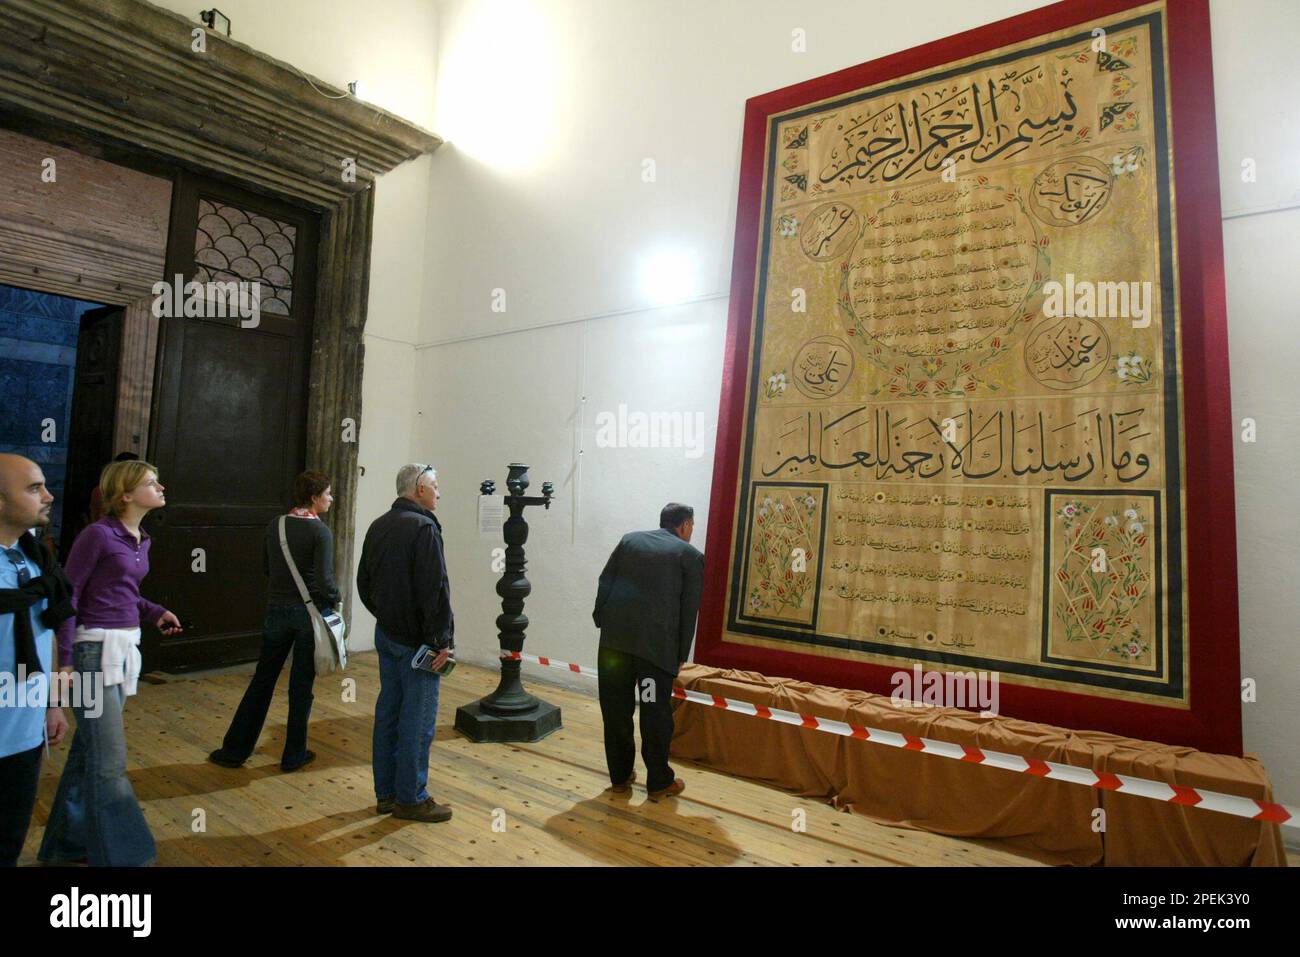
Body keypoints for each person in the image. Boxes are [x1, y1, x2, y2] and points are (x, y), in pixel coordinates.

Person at [38, 460, 182, 867]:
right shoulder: (97, 535)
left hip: (123, 651)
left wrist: (154, 611)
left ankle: (65, 847)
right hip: (91, 656)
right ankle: (126, 858)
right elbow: (68, 597)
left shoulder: (141, 539)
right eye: (152, 482)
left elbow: (122, 591)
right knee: (109, 766)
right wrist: (64, 662)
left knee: (89, 754)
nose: (160, 486)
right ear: (125, 495)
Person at [208, 470, 340, 772]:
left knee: (263, 680)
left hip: (276, 610)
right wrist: (336, 597)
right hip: (307, 615)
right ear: (314, 497)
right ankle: (293, 754)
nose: (331, 499)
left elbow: (266, 567)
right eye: (328, 493)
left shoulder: (275, 525)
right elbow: (324, 580)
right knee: (300, 684)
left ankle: (234, 750)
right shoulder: (321, 532)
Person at [357, 463, 454, 823]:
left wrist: (386, 616)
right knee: (418, 719)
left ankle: (386, 794)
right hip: (419, 643)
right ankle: (411, 798)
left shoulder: (379, 525)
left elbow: (363, 583)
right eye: (435, 484)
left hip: (388, 635)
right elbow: (435, 590)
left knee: (389, 713)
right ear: (419, 489)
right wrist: (440, 640)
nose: (439, 491)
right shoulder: (423, 528)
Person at [592, 502, 704, 800]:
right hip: (654, 655)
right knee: (654, 712)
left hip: (614, 649)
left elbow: (606, 580)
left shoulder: (630, 540)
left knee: (615, 710)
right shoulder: (690, 556)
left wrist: (600, 618)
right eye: (692, 526)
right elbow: (689, 609)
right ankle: (659, 781)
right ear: (685, 526)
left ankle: (619, 776)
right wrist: (681, 653)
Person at [0, 455, 72, 866]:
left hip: (24, 732)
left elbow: (46, 629)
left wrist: (52, 703)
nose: (48, 495)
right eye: (33, 488)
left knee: (9, 840)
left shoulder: (35, 558)